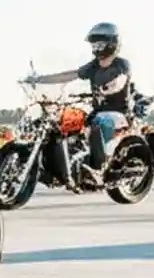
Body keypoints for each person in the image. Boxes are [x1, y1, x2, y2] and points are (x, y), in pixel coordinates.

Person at [26, 22, 133, 186]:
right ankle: (66, 166)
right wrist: (40, 79)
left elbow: (120, 81)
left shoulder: (121, 64)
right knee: (68, 124)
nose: (97, 47)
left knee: (101, 121)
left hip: (118, 114)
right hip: (97, 113)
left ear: (112, 43)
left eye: (100, 43)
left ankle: (99, 168)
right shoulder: (93, 66)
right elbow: (71, 75)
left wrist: (107, 88)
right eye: (94, 44)